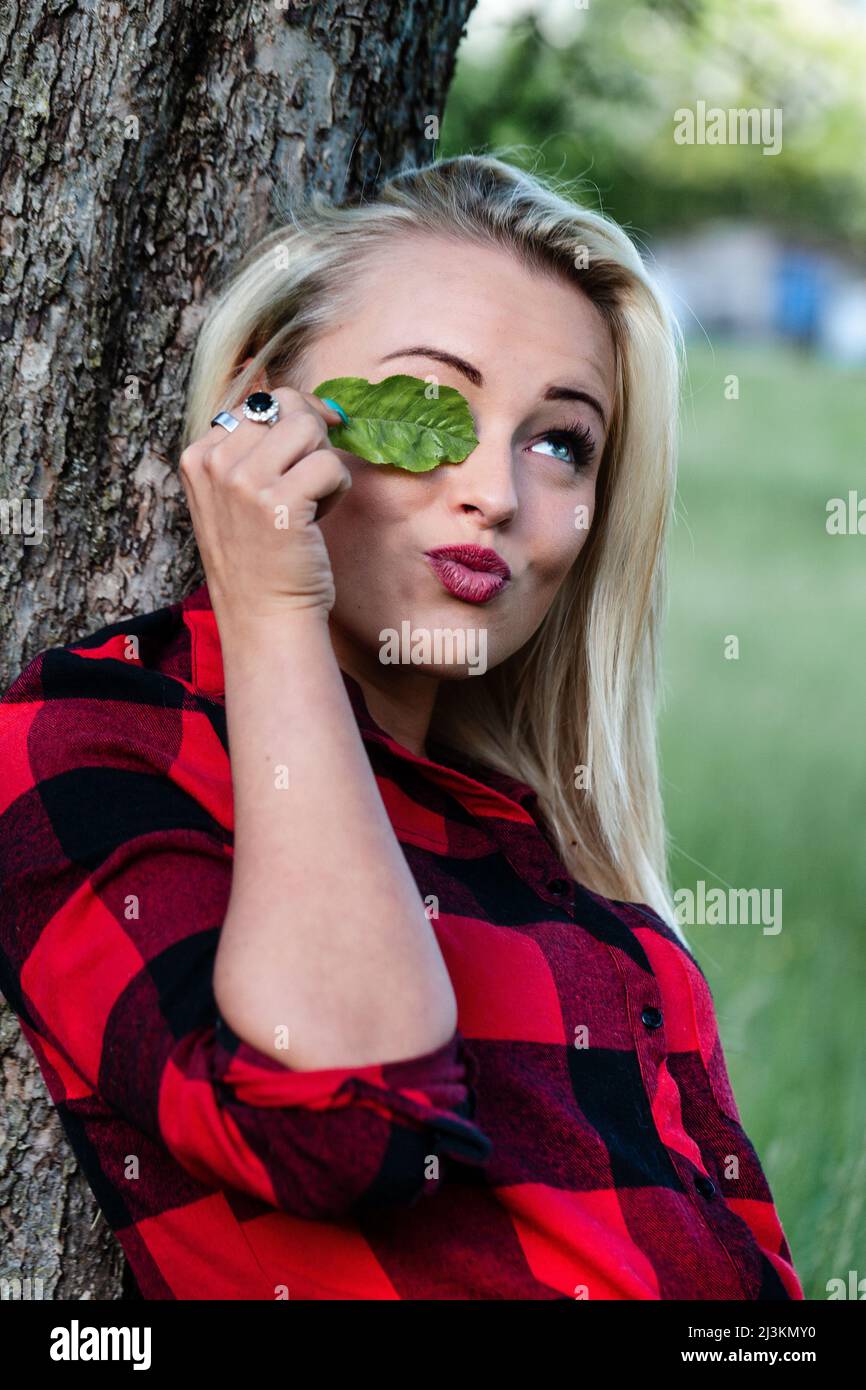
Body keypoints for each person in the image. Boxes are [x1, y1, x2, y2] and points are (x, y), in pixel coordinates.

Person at [0, 155, 803, 1300]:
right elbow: (343, 1116)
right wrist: (274, 604)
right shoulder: (101, 742)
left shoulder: (573, 881)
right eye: (427, 408)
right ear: (257, 411)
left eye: (559, 440)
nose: (494, 491)